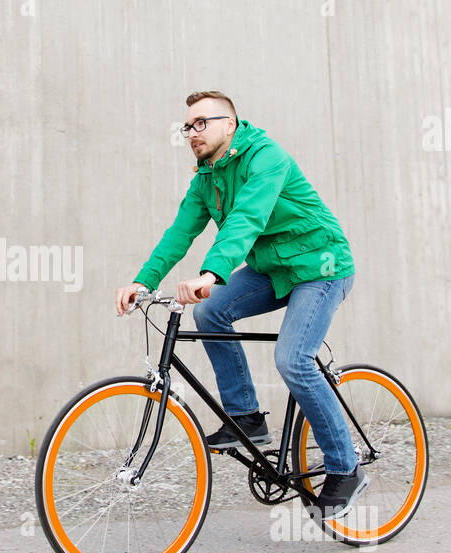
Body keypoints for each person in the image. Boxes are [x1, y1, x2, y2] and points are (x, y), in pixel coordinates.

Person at [114, 90, 364, 519]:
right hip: (271, 268)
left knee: (293, 359)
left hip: (321, 267)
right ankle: (246, 417)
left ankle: (345, 466)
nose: (192, 133)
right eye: (187, 127)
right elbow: (180, 233)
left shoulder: (267, 157)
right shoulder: (206, 178)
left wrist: (211, 274)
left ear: (229, 125)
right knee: (210, 312)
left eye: (201, 123)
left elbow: (248, 217)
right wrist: (142, 281)